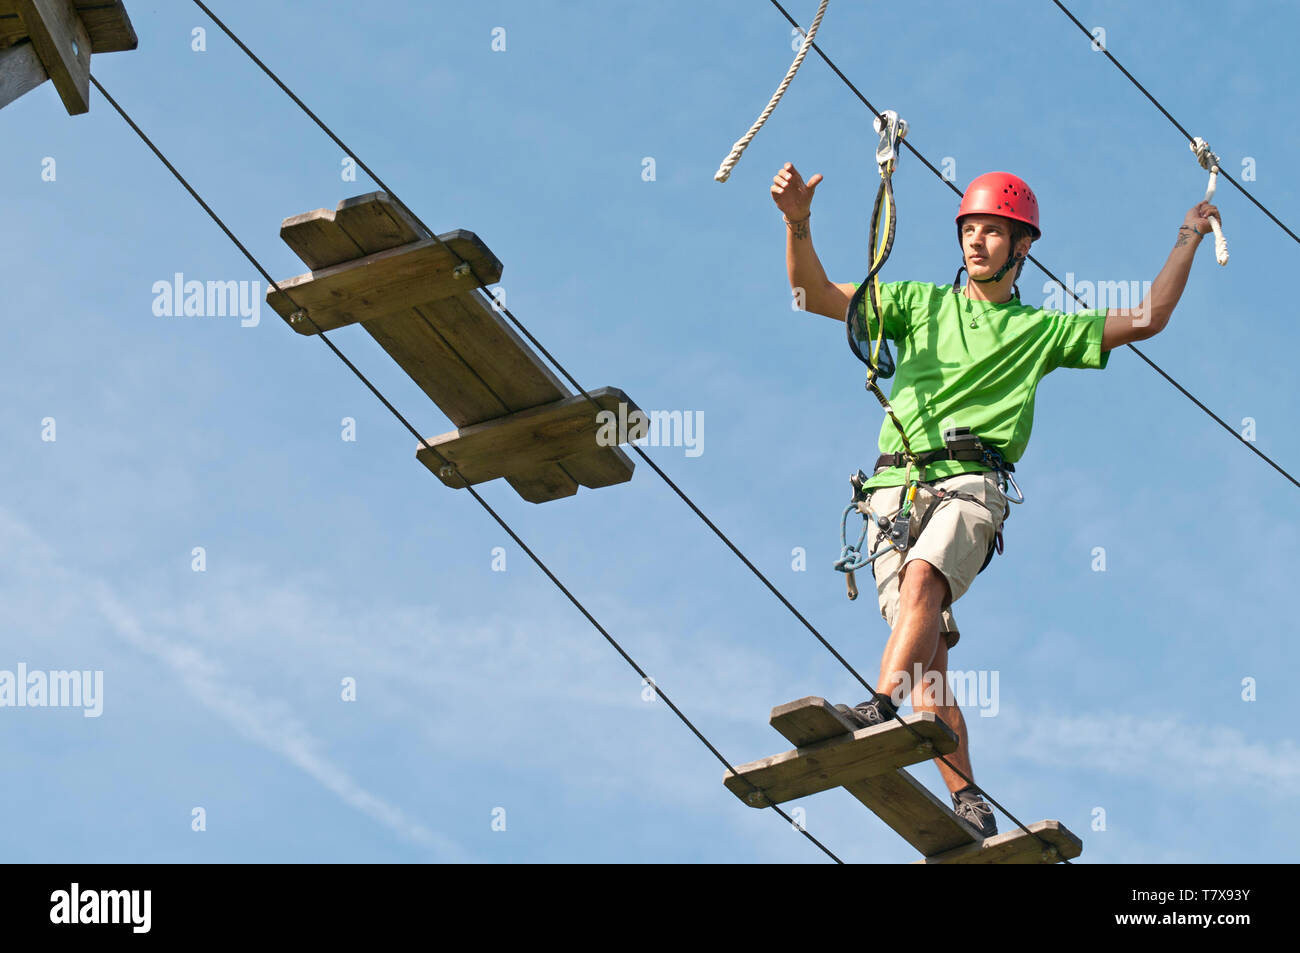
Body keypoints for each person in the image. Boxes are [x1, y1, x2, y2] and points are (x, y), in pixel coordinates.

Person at [772, 163, 1220, 838]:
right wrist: (797, 222)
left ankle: (875, 706)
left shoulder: (1038, 331)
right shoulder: (919, 305)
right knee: (928, 667)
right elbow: (810, 294)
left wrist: (1187, 236)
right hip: (892, 492)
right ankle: (969, 801)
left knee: (925, 581)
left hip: (970, 487)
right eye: (969, 229)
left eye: (992, 231)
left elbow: (1147, 316)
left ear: (1023, 246)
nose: (976, 242)